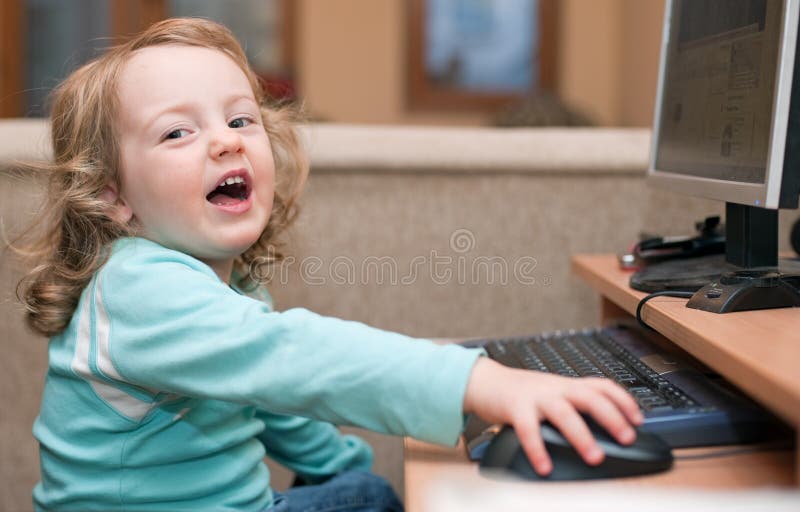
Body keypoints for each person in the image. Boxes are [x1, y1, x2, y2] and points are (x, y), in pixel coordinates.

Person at [17, 18, 642, 512]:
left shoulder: (223, 283)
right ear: (112, 196)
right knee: (373, 498)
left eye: (241, 119)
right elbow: (298, 357)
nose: (227, 139)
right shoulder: (136, 288)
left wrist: (339, 464)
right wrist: (482, 383)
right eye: (176, 133)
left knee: (357, 488)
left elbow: (269, 399)